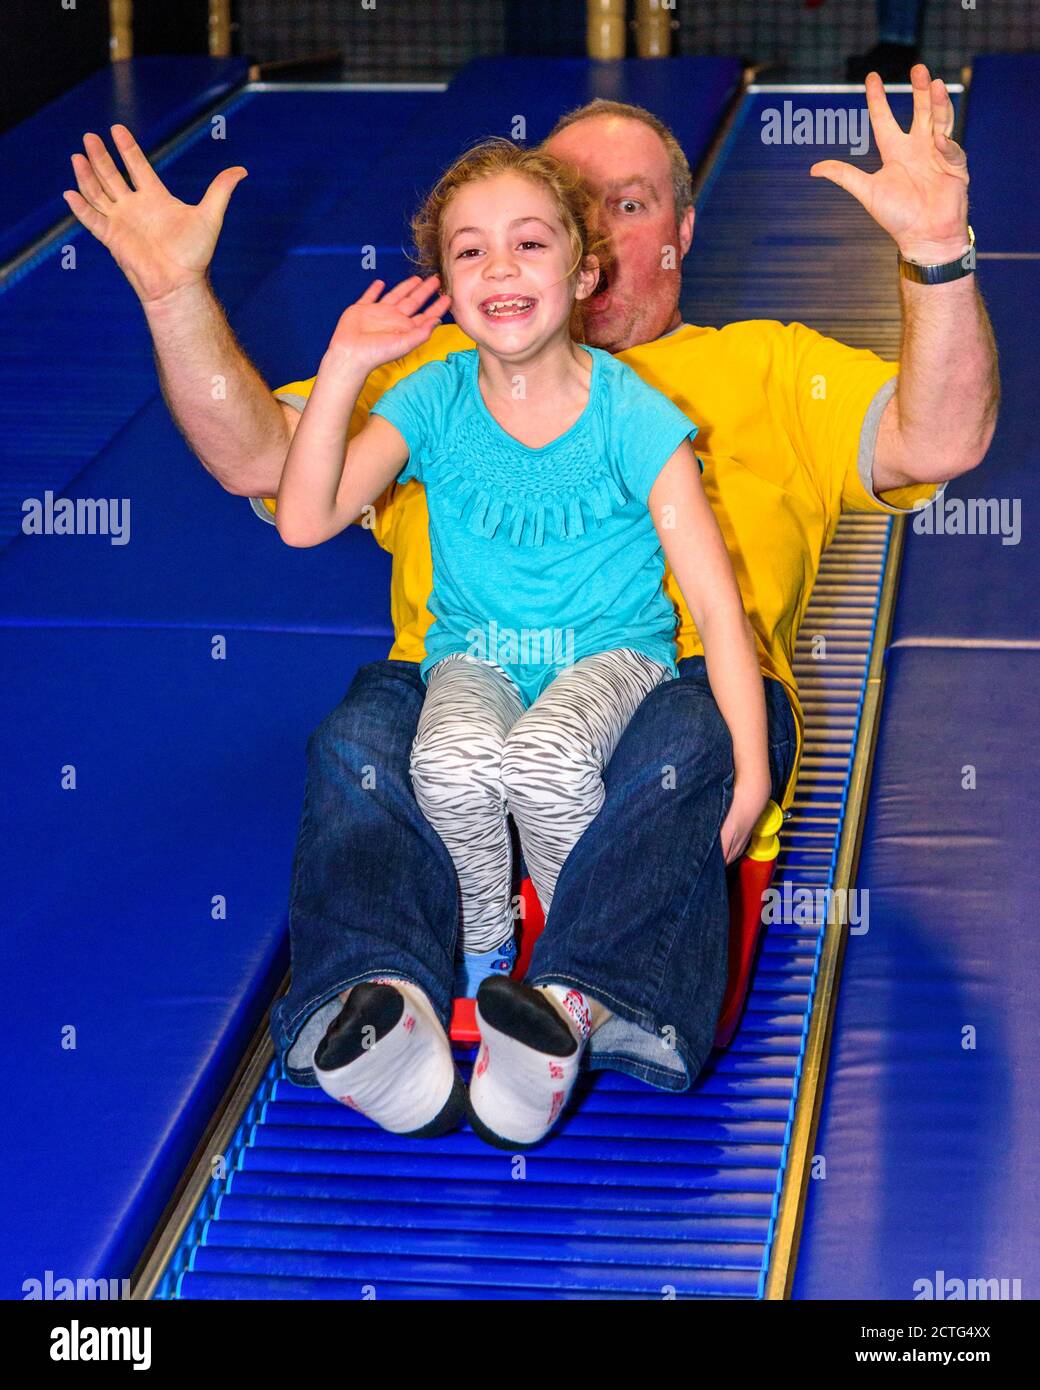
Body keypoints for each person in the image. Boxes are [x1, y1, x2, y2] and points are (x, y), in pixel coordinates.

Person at [62, 63, 997, 1145]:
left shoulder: (769, 369)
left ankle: (578, 999)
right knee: (362, 729)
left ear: (675, 235)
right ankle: (376, 1008)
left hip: (664, 723)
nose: (583, 224)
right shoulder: (443, 374)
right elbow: (258, 461)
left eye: (626, 201)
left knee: (685, 728)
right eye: (562, 193)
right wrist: (176, 295)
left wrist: (935, 254)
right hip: (459, 707)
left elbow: (941, 436)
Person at [272, 139, 773, 1148]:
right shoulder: (433, 397)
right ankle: (479, 961)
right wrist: (343, 366)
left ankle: (559, 975)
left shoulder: (634, 417)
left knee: (546, 760)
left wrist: (751, 775)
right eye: (469, 253)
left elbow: (717, 612)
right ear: (444, 283)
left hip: (610, 658)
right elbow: (304, 517)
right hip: (478, 656)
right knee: (447, 758)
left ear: (583, 270)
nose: (499, 270)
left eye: (529, 244)